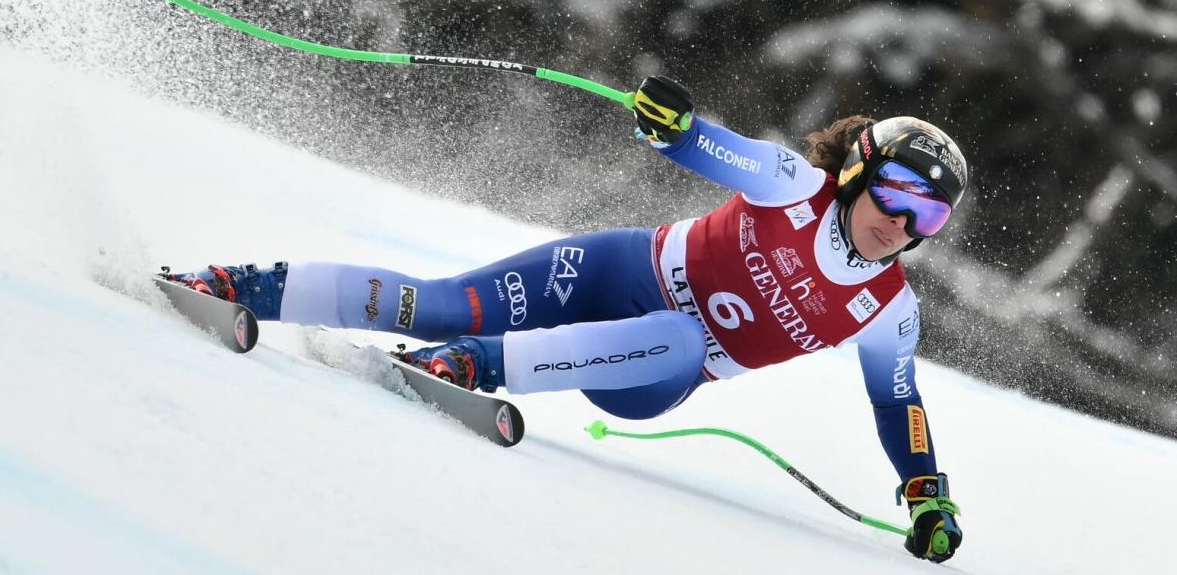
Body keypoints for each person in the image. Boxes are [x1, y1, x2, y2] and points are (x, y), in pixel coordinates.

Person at [170, 76, 966, 562]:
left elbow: (897, 402)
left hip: (651, 372)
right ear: (859, 169)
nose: (901, 222)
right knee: (441, 301)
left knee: (685, 335)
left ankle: (471, 364)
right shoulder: (794, 184)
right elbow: (711, 148)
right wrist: (672, 125)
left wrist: (927, 492)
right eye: (897, 193)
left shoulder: (887, 310)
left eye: (927, 215)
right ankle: (237, 284)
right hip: (617, 268)